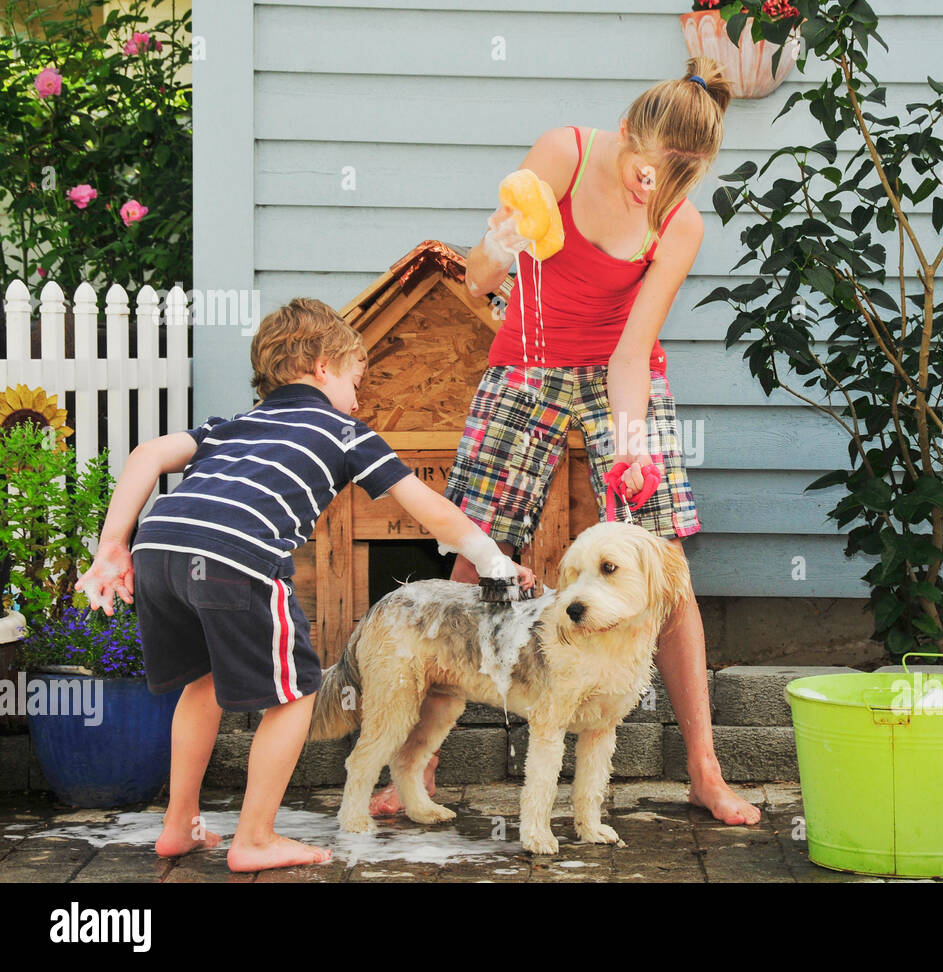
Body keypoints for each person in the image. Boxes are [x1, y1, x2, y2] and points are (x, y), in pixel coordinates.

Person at [369, 57, 762, 827]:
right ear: (624, 132)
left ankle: (705, 771)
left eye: (679, 176)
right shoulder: (563, 153)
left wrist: (628, 447)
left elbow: (629, 353)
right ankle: (417, 765)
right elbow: (481, 278)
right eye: (649, 168)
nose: (654, 187)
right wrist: (505, 239)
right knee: (472, 556)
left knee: (666, 565)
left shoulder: (679, 223)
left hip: (618, 374)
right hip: (526, 363)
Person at [74, 298, 535, 872]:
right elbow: (430, 511)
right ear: (323, 366)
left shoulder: (232, 425)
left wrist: (111, 544)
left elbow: (147, 454)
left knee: (201, 685)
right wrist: (493, 561)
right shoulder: (344, 431)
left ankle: (178, 825)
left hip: (162, 545)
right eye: (355, 380)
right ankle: (255, 838)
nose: (358, 398)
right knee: (296, 695)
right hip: (235, 555)